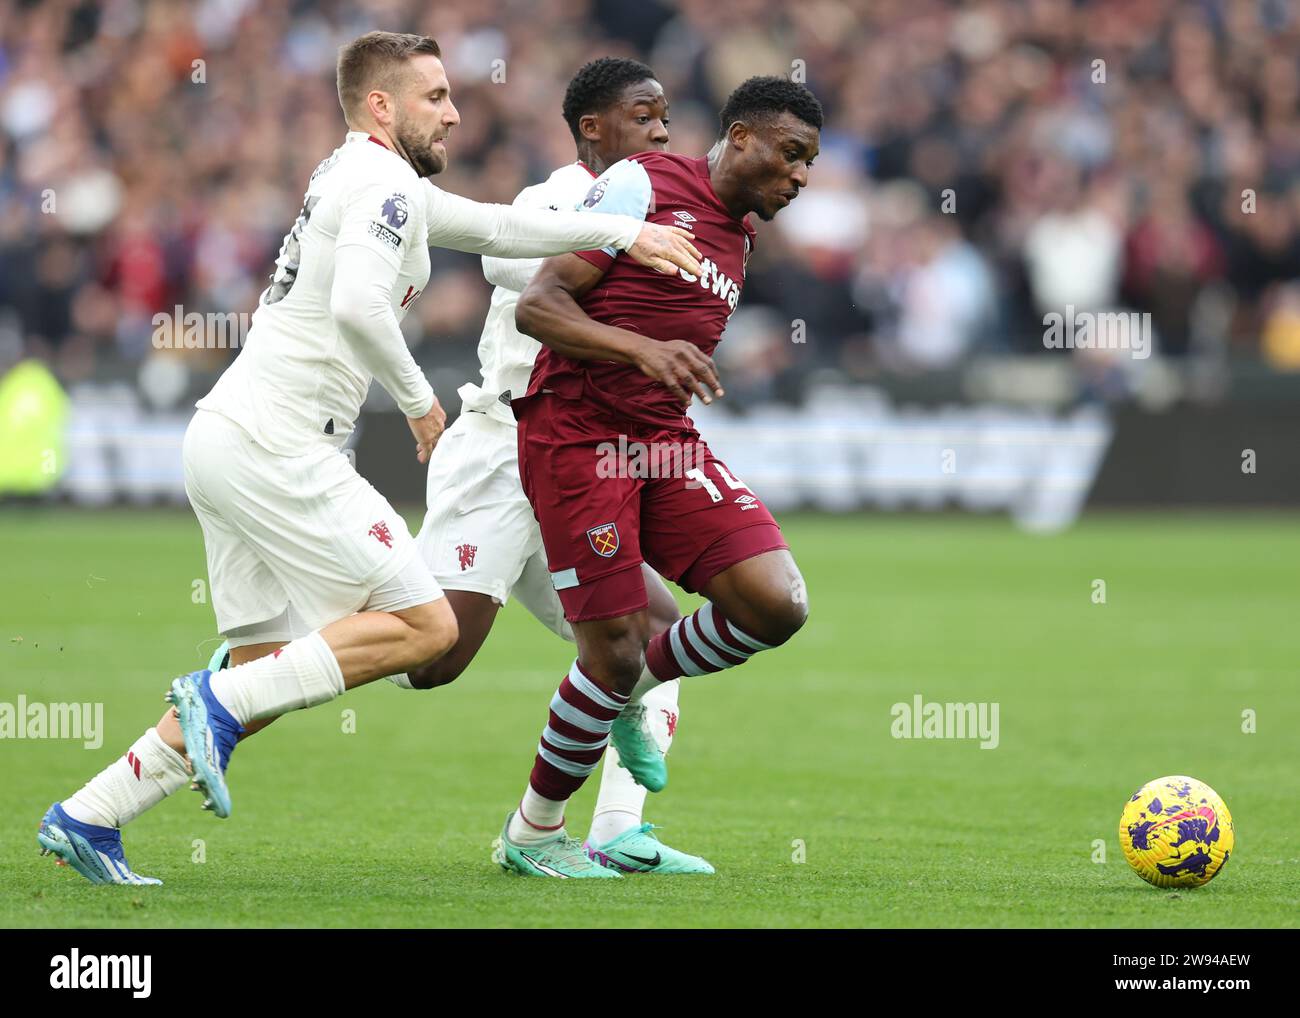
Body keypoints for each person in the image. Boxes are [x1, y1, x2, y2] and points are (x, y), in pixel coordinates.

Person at [36, 30, 700, 886]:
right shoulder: (383, 182)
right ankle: (205, 707)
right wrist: (422, 403)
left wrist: (624, 234)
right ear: (381, 106)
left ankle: (89, 815)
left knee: (256, 674)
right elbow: (357, 306)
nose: (456, 112)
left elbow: (496, 225)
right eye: (435, 97)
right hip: (279, 443)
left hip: (226, 435)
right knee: (428, 629)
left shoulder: (358, 175)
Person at [492, 76, 822, 877]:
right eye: (791, 155)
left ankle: (630, 689)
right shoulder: (643, 182)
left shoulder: (740, 237)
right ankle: (534, 835)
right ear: (741, 136)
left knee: (775, 603)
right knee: (604, 651)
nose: (801, 177)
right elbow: (537, 307)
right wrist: (642, 349)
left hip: (662, 440)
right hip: (575, 431)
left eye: (810, 165)